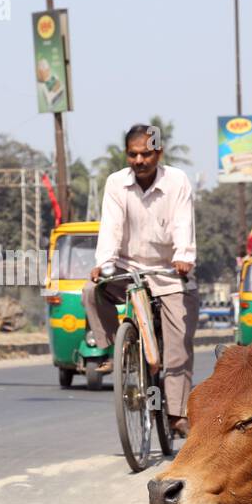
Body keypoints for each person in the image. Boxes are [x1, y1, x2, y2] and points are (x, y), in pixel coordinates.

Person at [83, 123, 199, 437]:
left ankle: (176, 413)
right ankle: (114, 353)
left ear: (158, 153)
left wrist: (184, 256)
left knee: (179, 344)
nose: (139, 160)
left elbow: (182, 223)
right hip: (126, 269)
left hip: (169, 272)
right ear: (127, 155)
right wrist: (103, 263)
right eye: (133, 154)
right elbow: (111, 226)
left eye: (146, 154)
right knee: (91, 291)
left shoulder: (177, 181)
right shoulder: (116, 183)